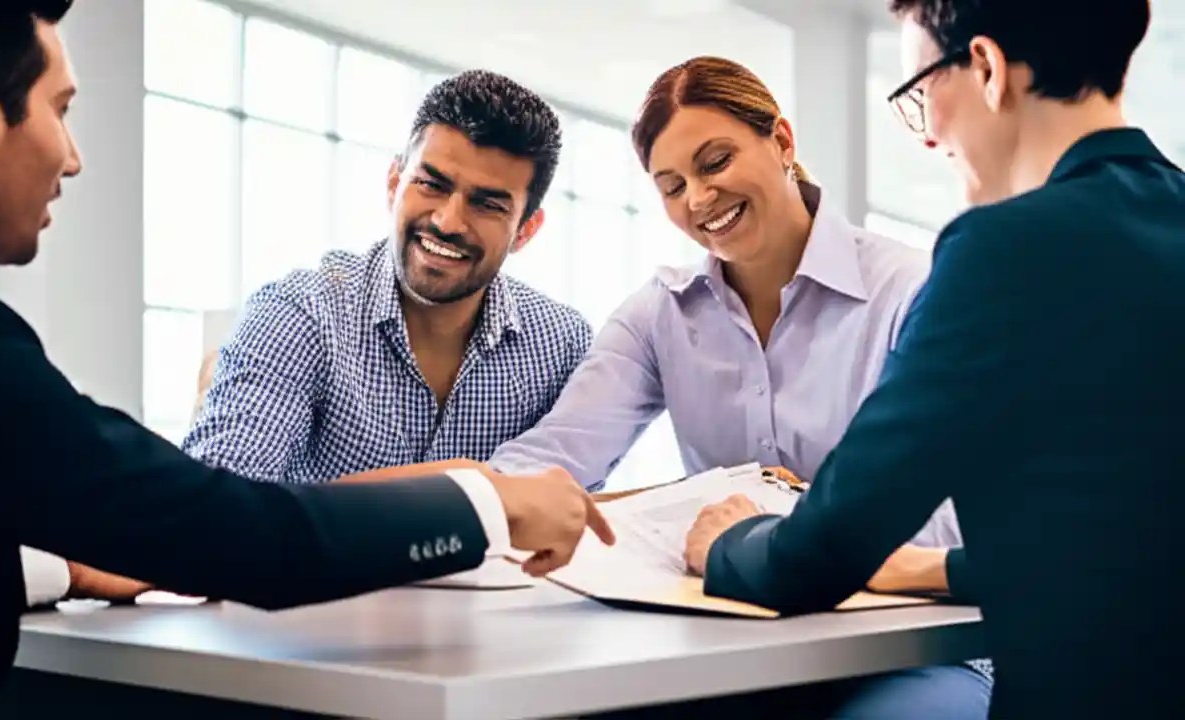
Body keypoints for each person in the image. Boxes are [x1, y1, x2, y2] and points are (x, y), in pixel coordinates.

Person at [0, 3, 612, 716]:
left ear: (527, 228)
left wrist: (70, 563)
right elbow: (233, 528)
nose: (74, 154)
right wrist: (484, 495)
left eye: (487, 202)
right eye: (60, 110)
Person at [685, 1, 1183, 717]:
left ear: (985, 67)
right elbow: (1123, 533)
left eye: (919, 93)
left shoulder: (1002, 249)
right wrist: (928, 566)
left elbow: (820, 553)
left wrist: (729, 540)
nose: (927, 138)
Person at [490, 56, 988, 718]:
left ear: (781, 141)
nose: (698, 198)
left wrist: (757, 531)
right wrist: (468, 507)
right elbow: (550, 461)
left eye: (715, 161)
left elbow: (936, 522)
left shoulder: (909, 290)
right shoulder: (657, 316)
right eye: (671, 186)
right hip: (736, 650)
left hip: (909, 651)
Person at [181, 69, 593, 486]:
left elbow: (572, 510)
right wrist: (467, 487)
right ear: (395, 184)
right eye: (431, 184)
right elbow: (218, 511)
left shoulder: (563, 344)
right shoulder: (301, 314)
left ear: (526, 229)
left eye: (487, 205)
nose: (448, 221)